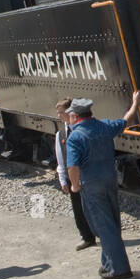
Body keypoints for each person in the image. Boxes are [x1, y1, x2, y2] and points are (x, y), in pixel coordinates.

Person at [65, 93, 140, 279]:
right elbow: (127, 120)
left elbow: (72, 166)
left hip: (91, 184)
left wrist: (75, 185)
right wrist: (136, 103)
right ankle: (108, 264)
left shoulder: (75, 137)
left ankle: (119, 269)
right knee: (112, 223)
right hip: (109, 180)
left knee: (103, 227)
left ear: (75, 116)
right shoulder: (104, 126)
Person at [54, 98, 96, 251]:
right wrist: (63, 179)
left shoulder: (82, 130)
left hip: (88, 175)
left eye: (61, 113)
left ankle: (101, 233)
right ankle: (87, 237)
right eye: (58, 113)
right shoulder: (61, 135)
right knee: (78, 209)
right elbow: (61, 158)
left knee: (94, 207)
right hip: (73, 178)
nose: (59, 116)